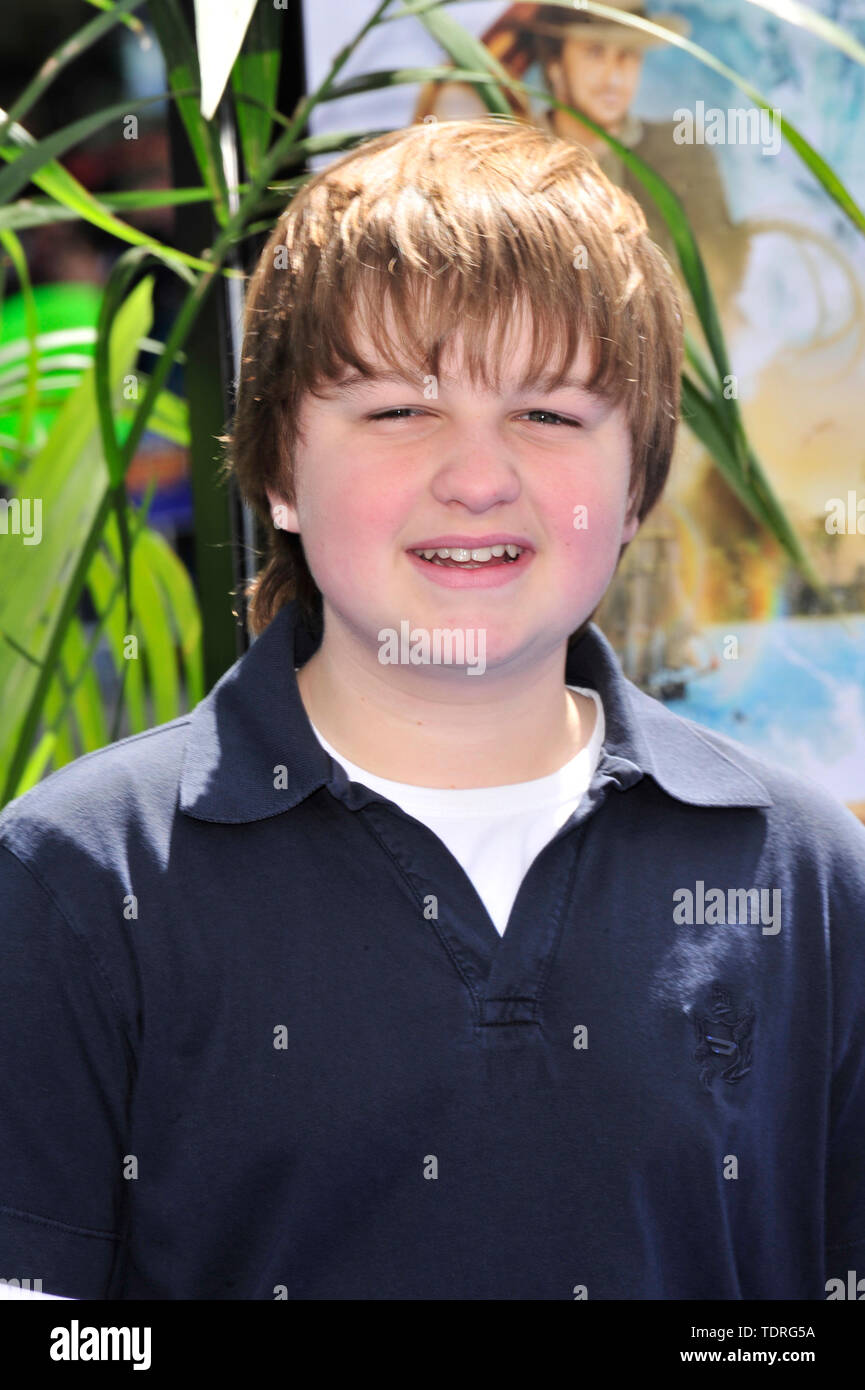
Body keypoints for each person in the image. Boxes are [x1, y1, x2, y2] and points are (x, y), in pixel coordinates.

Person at [0, 117, 863, 1300]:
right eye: (400, 410)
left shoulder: (803, 873)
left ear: (638, 483)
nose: (475, 473)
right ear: (276, 473)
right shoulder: (83, 874)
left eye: (550, 414)